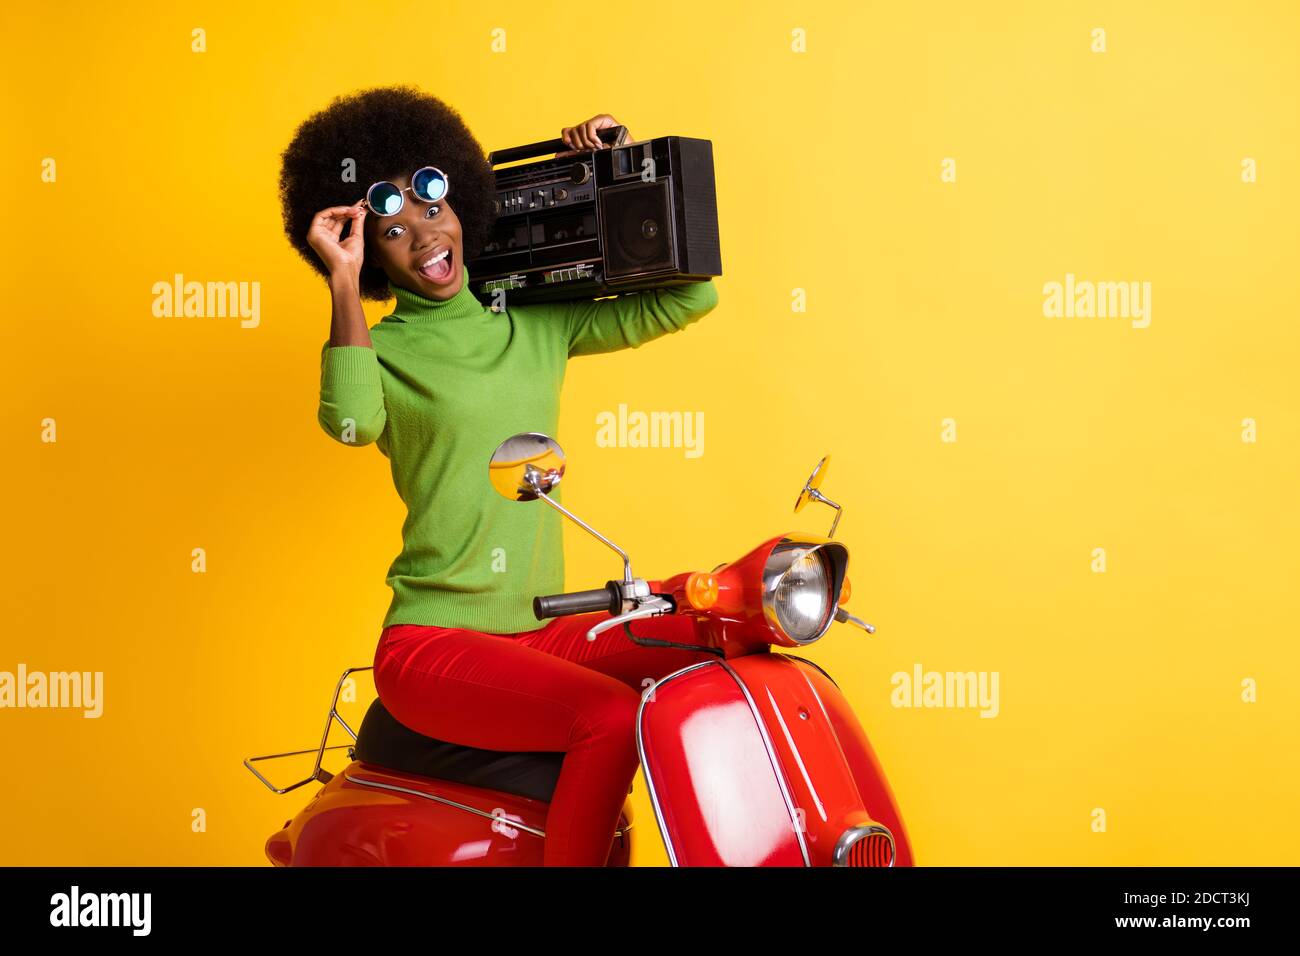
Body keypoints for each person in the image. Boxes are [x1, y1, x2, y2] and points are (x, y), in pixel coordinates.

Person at [278, 85, 721, 865]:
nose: (423, 239)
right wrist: (341, 281)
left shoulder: (534, 322)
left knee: (715, 629)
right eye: (390, 230)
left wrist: (614, 175)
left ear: (465, 206)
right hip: (432, 645)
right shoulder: (383, 351)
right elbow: (351, 424)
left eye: (433, 209)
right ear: (370, 250)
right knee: (609, 719)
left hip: (544, 631)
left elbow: (693, 294)